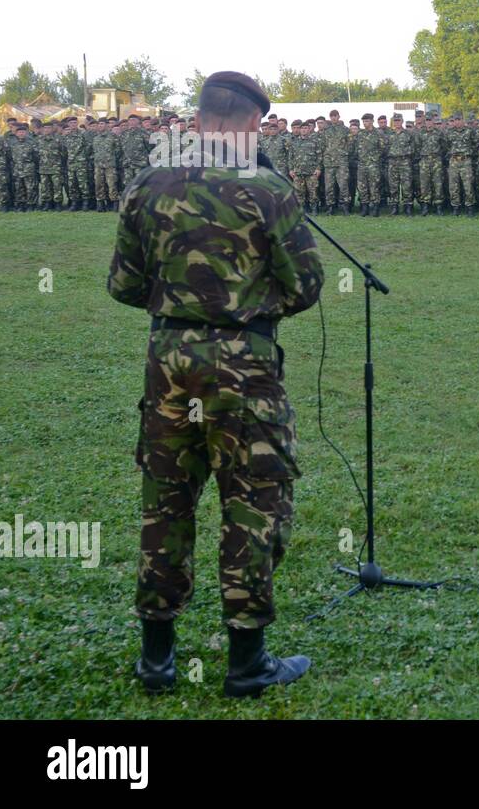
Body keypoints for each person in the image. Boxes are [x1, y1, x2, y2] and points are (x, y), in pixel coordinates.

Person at [107, 71, 324, 698]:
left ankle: (156, 661)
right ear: (252, 124)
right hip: (244, 369)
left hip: (169, 360)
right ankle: (248, 662)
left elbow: (123, 284)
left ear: (198, 119)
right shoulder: (269, 190)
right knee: (253, 503)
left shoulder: (148, 184)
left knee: (165, 504)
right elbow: (306, 287)